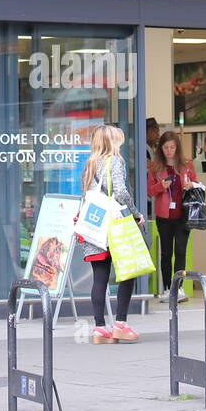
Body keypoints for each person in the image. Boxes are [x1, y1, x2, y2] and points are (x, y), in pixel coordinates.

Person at [78, 125, 145, 344]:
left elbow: (84, 198)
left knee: (99, 278)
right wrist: (135, 213)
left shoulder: (88, 165)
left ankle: (99, 328)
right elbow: (121, 191)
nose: (120, 144)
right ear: (111, 142)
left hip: (94, 228)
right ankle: (120, 324)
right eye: (118, 140)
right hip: (115, 227)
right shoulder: (114, 161)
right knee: (128, 270)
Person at [147, 131, 197, 304]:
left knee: (181, 251)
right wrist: (161, 186)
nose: (169, 151)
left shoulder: (187, 165)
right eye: (166, 147)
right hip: (164, 215)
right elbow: (150, 191)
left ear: (177, 148)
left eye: (172, 147)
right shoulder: (155, 167)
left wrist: (191, 185)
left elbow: (197, 185)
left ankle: (179, 287)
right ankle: (168, 288)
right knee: (166, 253)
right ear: (161, 148)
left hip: (183, 214)